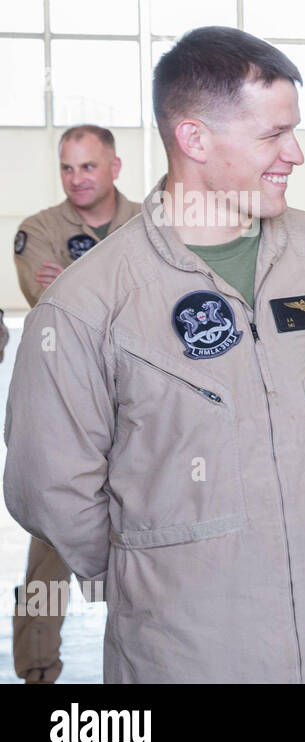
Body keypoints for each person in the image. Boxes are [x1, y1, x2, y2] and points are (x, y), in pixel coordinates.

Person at [4, 26, 305, 683]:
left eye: (295, 130)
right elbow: (51, 485)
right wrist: (163, 557)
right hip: (188, 651)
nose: (296, 154)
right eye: (272, 135)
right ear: (195, 140)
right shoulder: (90, 303)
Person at [10, 123, 140, 684]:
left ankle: (154, 666)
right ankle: (37, 670)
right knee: (50, 549)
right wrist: (125, 290)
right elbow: (52, 304)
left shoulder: (155, 222)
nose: (77, 178)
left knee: (154, 549)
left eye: (88, 166)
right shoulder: (37, 229)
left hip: (141, 412)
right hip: (67, 411)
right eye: (67, 167)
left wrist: (78, 282)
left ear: (114, 167)